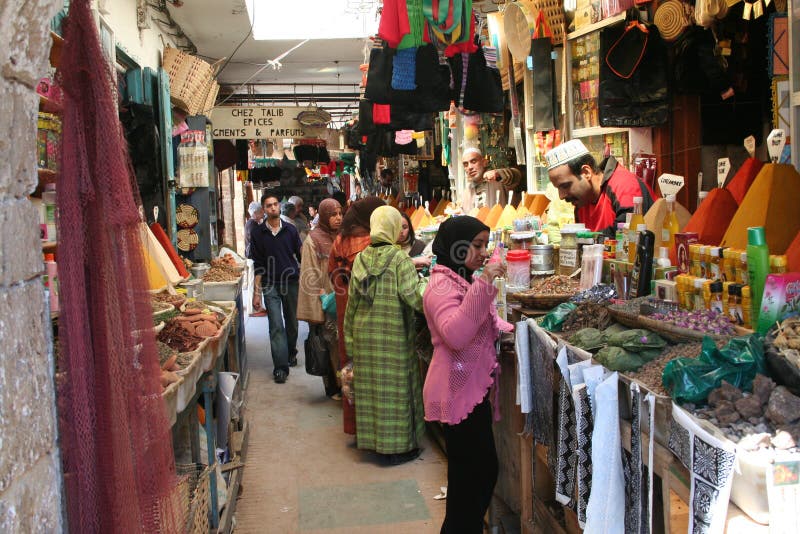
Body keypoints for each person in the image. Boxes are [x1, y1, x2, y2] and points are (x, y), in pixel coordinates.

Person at [422, 216, 513, 534]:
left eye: (485, 245)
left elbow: (479, 323)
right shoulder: (440, 286)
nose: (483, 252)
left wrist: (509, 328)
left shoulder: (462, 279)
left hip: (469, 390)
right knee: (473, 477)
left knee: (474, 476)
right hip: (456, 391)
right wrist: (487, 281)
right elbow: (457, 334)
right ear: (457, 247)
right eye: (476, 245)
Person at [344, 205, 425, 464]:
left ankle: (373, 444)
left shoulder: (361, 258)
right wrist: (434, 287)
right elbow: (415, 299)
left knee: (371, 390)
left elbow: (352, 303)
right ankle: (400, 448)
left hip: (365, 335)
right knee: (397, 390)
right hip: (393, 334)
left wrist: (350, 342)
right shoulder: (400, 258)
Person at [328, 196, 386, 434]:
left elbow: (332, 272)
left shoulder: (341, 237)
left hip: (345, 304)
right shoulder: (372, 240)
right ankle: (372, 427)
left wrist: (344, 286)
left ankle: (354, 424)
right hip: (367, 308)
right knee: (372, 365)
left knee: (350, 362)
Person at [544, 139, 656, 237]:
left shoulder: (624, 186)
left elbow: (628, 236)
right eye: (558, 188)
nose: (561, 196)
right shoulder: (581, 202)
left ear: (586, 172)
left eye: (565, 186)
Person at [249, 194, 303, 384]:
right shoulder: (257, 234)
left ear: (279, 206)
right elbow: (258, 266)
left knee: (292, 323)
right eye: (268, 206)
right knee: (276, 325)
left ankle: (291, 351)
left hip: (291, 282)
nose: (273, 208)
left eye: (275, 204)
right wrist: (256, 294)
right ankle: (280, 368)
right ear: (263, 210)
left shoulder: (290, 230)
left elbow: (301, 255)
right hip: (270, 283)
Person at [297, 198, 343, 399]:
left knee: (341, 344)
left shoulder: (343, 236)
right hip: (325, 299)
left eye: (340, 213)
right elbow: (309, 275)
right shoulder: (312, 240)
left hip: (342, 297)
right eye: (333, 214)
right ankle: (334, 386)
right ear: (324, 216)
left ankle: (343, 384)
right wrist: (316, 309)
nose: (338, 218)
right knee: (328, 344)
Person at [459, 147, 521, 212]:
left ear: (484, 162)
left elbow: (517, 175)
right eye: (466, 164)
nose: (470, 167)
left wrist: (498, 173)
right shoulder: (467, 192)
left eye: (473, 162)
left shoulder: (499, 180)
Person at [245, 201, 267, 317]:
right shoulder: (252, 224)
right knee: (253, 284)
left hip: (253, 257)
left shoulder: (253, 223)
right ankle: (253, 310)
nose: (263, 214)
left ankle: (257, 307)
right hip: (253, 258)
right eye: (261, 212)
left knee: (255, 284)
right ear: (255, 213)